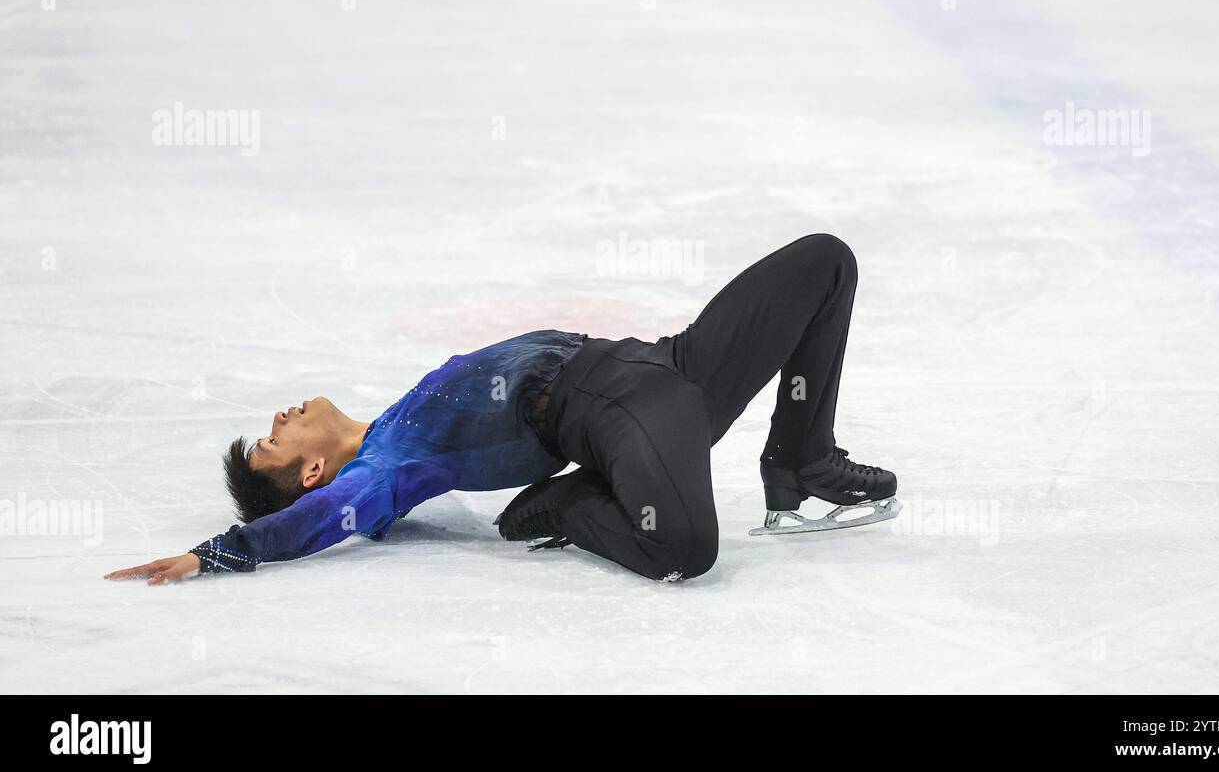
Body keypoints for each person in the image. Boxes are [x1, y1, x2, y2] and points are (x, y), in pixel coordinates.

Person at [105, 234, 898, 586]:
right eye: (273, 446)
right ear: (313, 471)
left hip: (666, 362)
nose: (277, 419)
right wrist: (221, 553)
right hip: (618, 414)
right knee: (685, 552)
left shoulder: (391, 424)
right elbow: (324, 519)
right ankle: (568, 504)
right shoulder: (381, 469)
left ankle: (801, 458)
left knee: (826, 263)